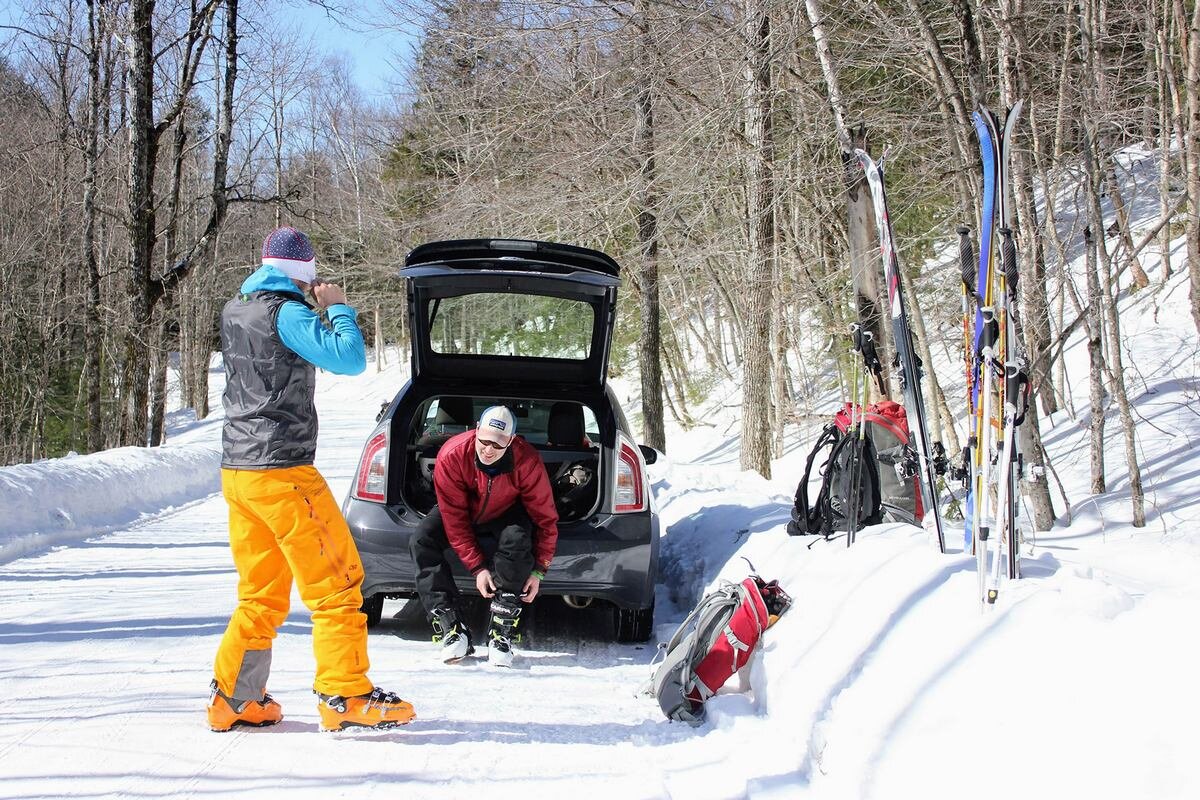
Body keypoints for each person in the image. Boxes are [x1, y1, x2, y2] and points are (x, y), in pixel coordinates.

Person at [208, 226, 416, 732]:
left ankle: (235, 698)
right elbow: (348, 358)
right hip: (283, 472)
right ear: (303, 273)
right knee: (338, 583)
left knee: (261, 593)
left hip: (239, 471)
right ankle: (346, 694)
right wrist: (338, 307)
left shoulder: (236, 310)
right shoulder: (288, 312)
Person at [410, 405, 558, 667]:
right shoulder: (453, 454)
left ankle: (501, 629)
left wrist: (539, 571)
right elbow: (454, 519)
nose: (489, 449)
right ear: (476, 430)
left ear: (512, 441)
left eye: (498, 445)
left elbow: (545, 519)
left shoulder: (527, 461)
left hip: (505, 510)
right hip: (462, 510)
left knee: (518, 538)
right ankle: (451, 628)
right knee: (421, 539)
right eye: (484, 441)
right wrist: (478, 567)